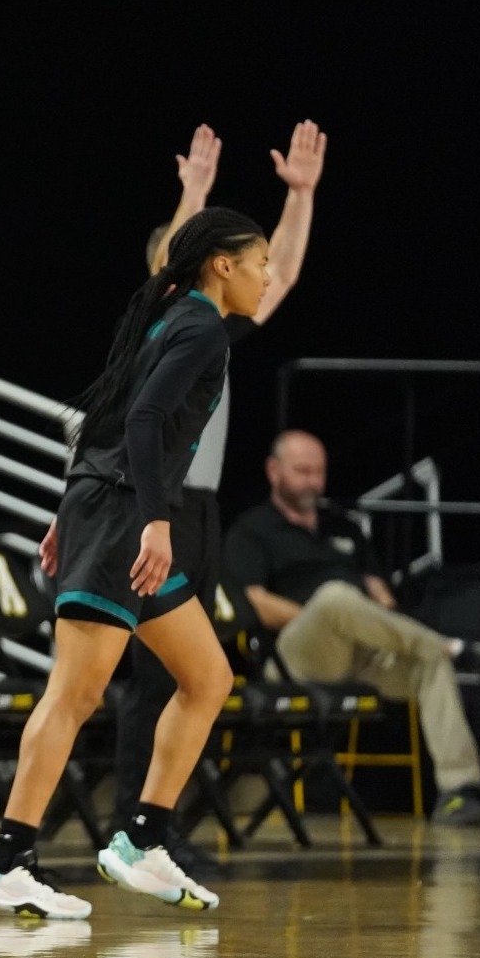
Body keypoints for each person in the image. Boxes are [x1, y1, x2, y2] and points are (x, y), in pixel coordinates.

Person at [0, 207, 268, 920]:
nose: (266, 277)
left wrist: (67, 509)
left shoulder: (171, 314)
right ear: (221, 265)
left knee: (206, 677)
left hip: (103, 508)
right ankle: (7, 860)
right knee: (74, 693)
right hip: (124, 517)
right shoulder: (200, 327)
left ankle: (142, 840)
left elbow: (103, 412)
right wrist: (153, 520)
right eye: (259, 263)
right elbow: (138, 421)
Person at [111, 121, 327, 866]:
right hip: (154, 507)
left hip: (196, 508)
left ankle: (153, 824)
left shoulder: (214, 327)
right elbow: (176, 262)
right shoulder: (171, 319)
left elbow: (285, 275)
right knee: (154, 673)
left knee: (190, 674)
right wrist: (194, 195)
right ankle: (136, 827)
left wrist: (299, 196)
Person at [224, 430, 480, 824]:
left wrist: (365, 615)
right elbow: (254, 602)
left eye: (319, 472)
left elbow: (382, 597)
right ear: (273, 470)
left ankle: (459, 791)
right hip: (294, 656)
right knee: (335, 597)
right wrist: (328, 618)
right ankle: (452, 646)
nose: (313, 481)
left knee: (427, 660)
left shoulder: (343, 528)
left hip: (360, 654)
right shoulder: (252, 530)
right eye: (302, 471)